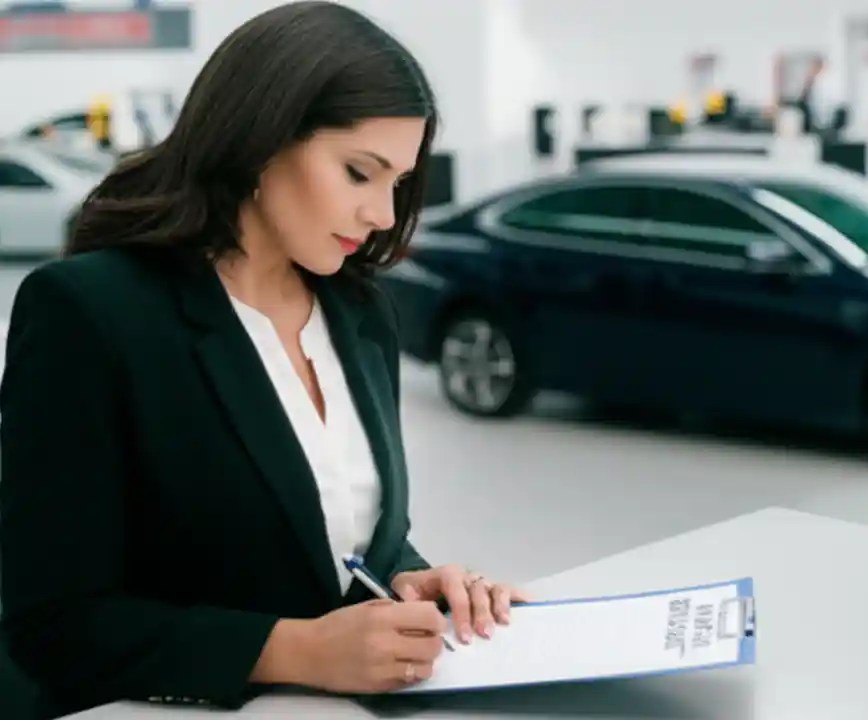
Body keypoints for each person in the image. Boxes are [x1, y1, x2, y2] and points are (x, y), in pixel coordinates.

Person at [0, 3, 526, 717]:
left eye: (398, 183)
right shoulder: (91, 312)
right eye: (359, 173)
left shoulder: (362, 312)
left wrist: (410, 581)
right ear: (261, 140)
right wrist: (295, 650)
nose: (381, 212)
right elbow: (53, 622)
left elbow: (336, 535)